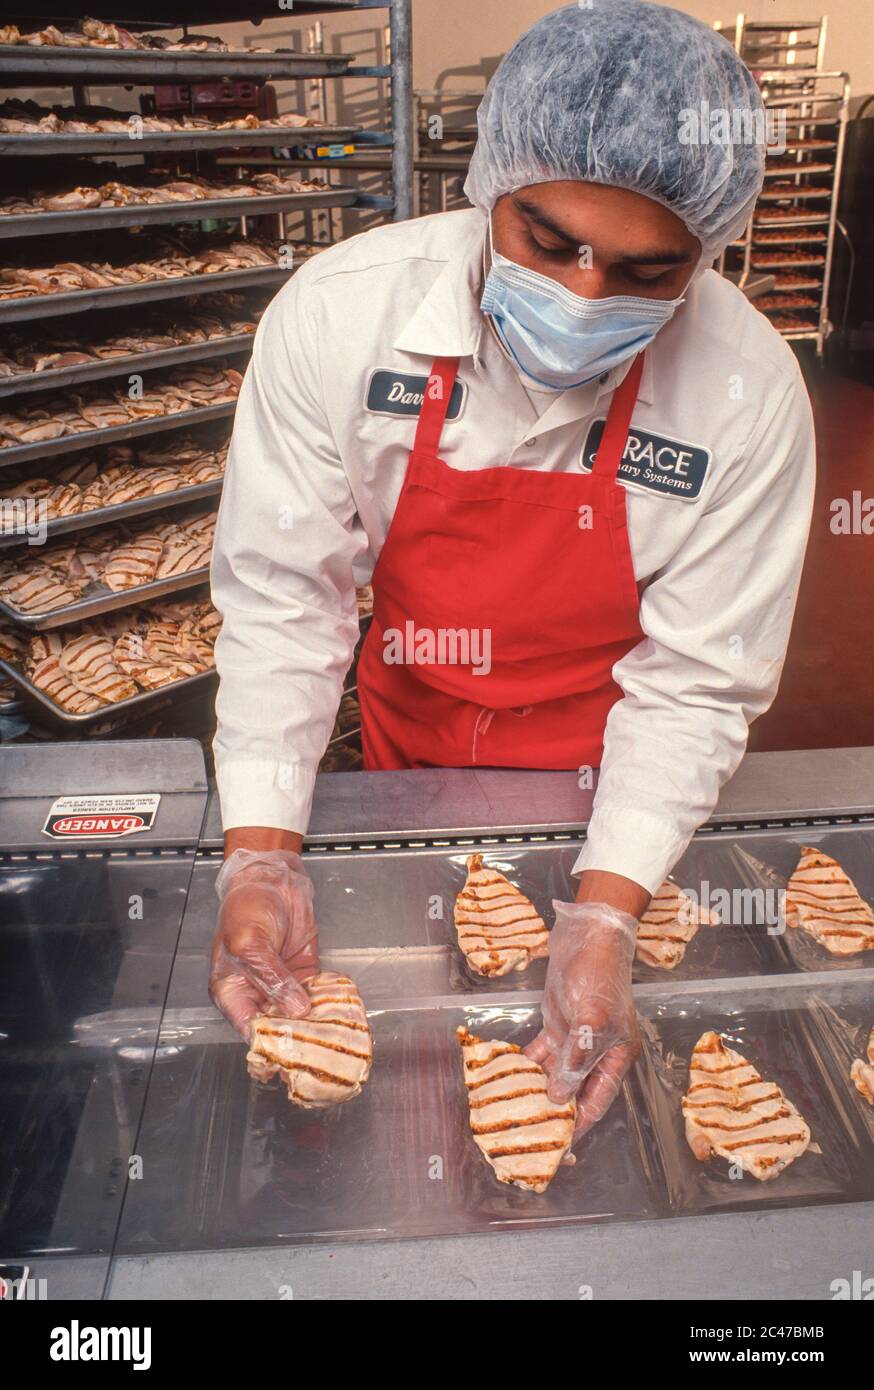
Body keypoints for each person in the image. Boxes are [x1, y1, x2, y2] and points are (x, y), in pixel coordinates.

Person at [208, 1, 814, 1140]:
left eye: (646, 271)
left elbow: (693, 679)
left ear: (707, 254)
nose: (585, 297)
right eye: (546, 241)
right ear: (489, 185)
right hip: (407, 751)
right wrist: (261, 850)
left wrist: (606, 910)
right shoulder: (341, 319)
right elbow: (287, 600)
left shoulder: (745, 391)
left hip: (613, 771)